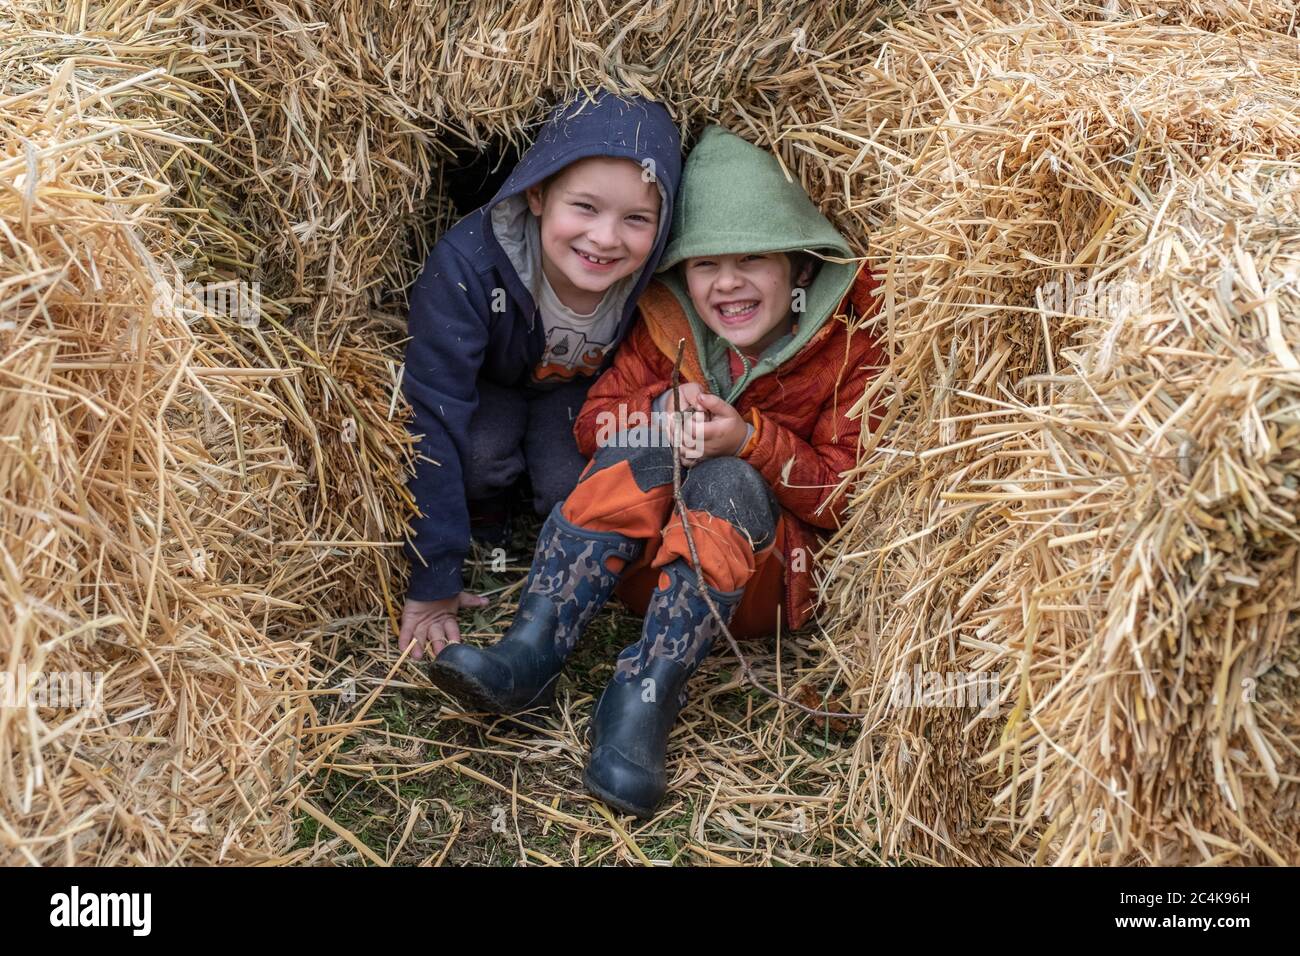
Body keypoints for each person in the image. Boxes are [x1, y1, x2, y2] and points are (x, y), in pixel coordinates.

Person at [426, 124, 885, 819]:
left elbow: (847, 495)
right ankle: (531, 650)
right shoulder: (668, 322)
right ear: (682, 272)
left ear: (798, 266)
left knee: (727, 478)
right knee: (647, 439)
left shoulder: (844, 346)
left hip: (752, 581)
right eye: (705, 265)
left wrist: (752, 440)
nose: (726, 282)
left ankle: (643, 699)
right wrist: (657, 409)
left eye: (753, 258)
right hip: (636, 566)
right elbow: (592, 422)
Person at [399, 91, 682, 660]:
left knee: (571, 488)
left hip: (579, 396)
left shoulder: (657, 279)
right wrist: (435, 579)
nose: (605, 238)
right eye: (584, 207)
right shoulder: (469, 264)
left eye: (636, 219)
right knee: (478, 458)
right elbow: (431, 409)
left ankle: (537, 505)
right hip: (492, 387)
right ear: (536, 194)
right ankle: (487, 513)